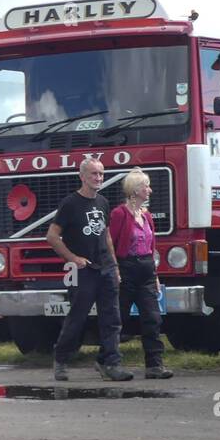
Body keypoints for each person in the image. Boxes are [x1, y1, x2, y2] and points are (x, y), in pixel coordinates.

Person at [46, 158, 133, 382]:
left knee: (112, 317)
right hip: (82, 271)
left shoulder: (103, 202)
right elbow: (52, 236)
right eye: (94, 174)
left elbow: (106, 236)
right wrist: (73, 258)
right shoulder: (70, 203)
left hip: (105, 268)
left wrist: (114, 266)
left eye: (101, 174)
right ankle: (61, 359)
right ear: (82, 176)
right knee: (77, 316)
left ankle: (111, 363)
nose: (98, 178)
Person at [110, 169, 173, 379]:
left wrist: (154, 274)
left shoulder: (146, 215)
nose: (150, 190)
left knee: (152, 317)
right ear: (135, 190)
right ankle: (107, 360)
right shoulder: (119, 214)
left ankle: (154, 365)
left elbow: (151, 244)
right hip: (126, 268)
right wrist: (116, 268)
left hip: (146, 268)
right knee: (120, 317)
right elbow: (111, 243)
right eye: (146, 186)